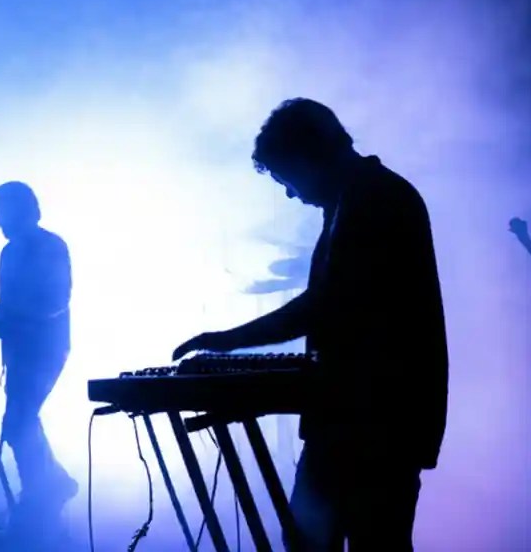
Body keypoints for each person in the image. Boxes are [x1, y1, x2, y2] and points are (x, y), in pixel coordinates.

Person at [173, 99, 449, 550]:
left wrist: (229, 342)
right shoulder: (355, 199)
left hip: (375, 421)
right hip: (355, 417)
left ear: (307, 157)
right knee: (320, 538)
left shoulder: (374, 199)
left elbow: (327, 305)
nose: (289, 193)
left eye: (286, 177)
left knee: (354, 541)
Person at [0, 182, 78, 522]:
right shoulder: (8, 254)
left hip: (46, 348)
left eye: (4, 213)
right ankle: (51, 485)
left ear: (25, 210)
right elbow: (6, 303)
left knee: (18, 421)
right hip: (21, 351)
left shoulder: (51, 246)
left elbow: (57, 300)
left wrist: (13, 318)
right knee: (20, 421)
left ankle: (42, 492)